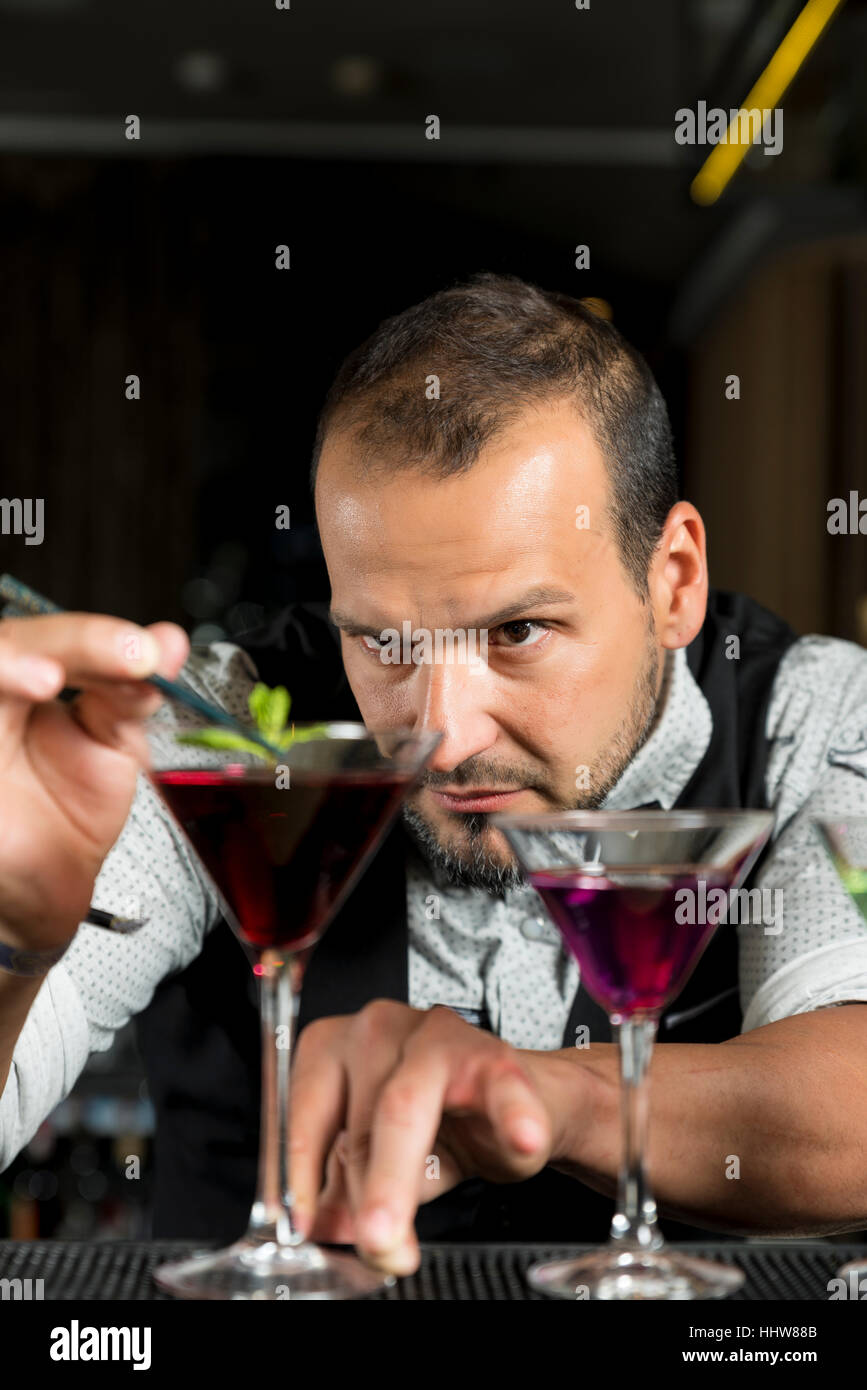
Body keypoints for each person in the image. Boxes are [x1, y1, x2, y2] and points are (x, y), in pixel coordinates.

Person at [2, 274, 867, 1279]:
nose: (443, 738)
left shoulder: (814, 716)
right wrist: (17, 944)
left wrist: (543, 1096)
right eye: (381, 641)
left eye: (519, 631)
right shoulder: (223, 730)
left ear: (671, 581)